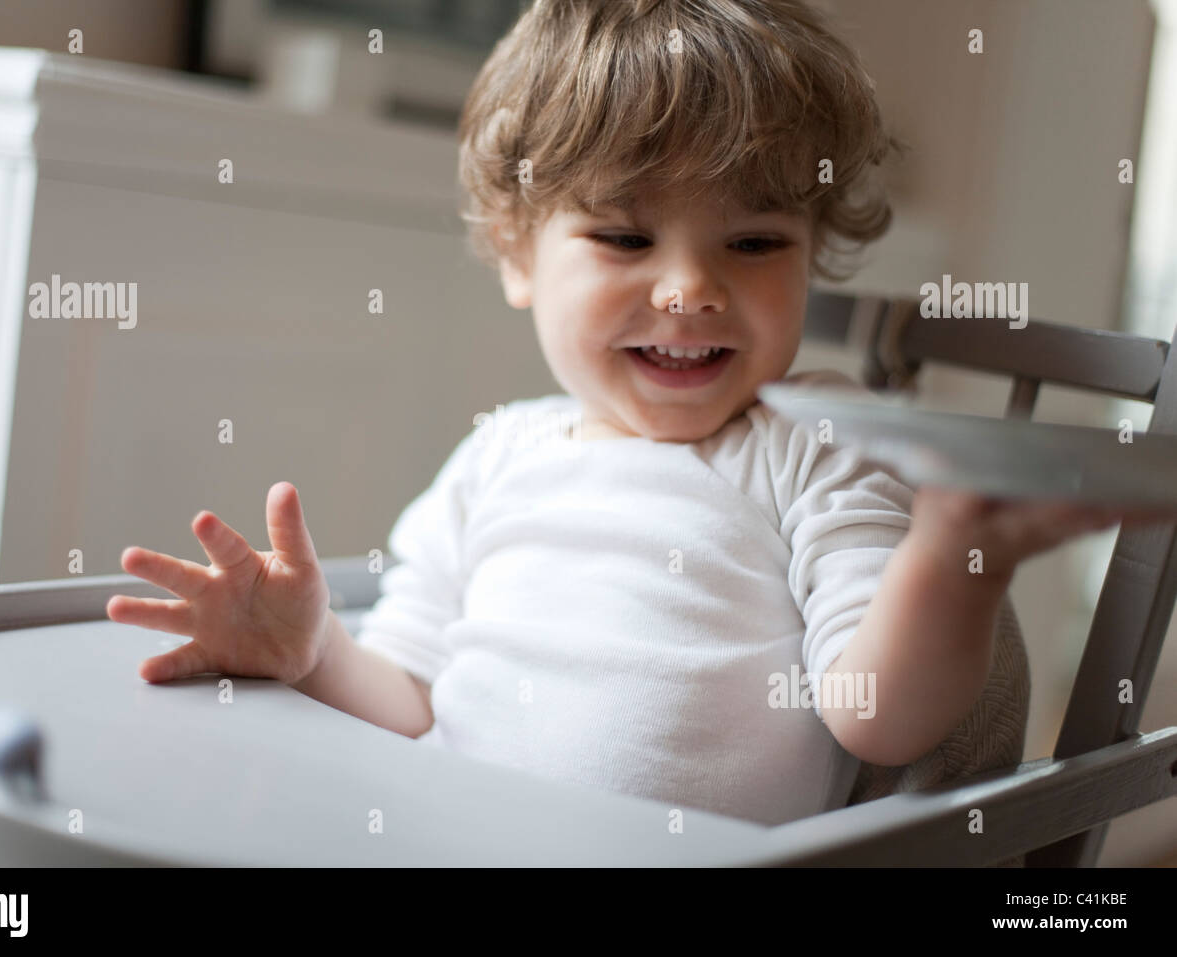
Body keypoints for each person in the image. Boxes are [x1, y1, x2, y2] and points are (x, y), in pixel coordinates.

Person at [107, 0, 1177, 825]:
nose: (688, 290)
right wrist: (309, 653)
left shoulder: (817, 450)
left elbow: (881, 717)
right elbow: (414, 702)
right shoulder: (498, 455)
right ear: (519, 255)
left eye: (754, 243)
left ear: (812, 251)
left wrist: (949, 564)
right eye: (625, 240)